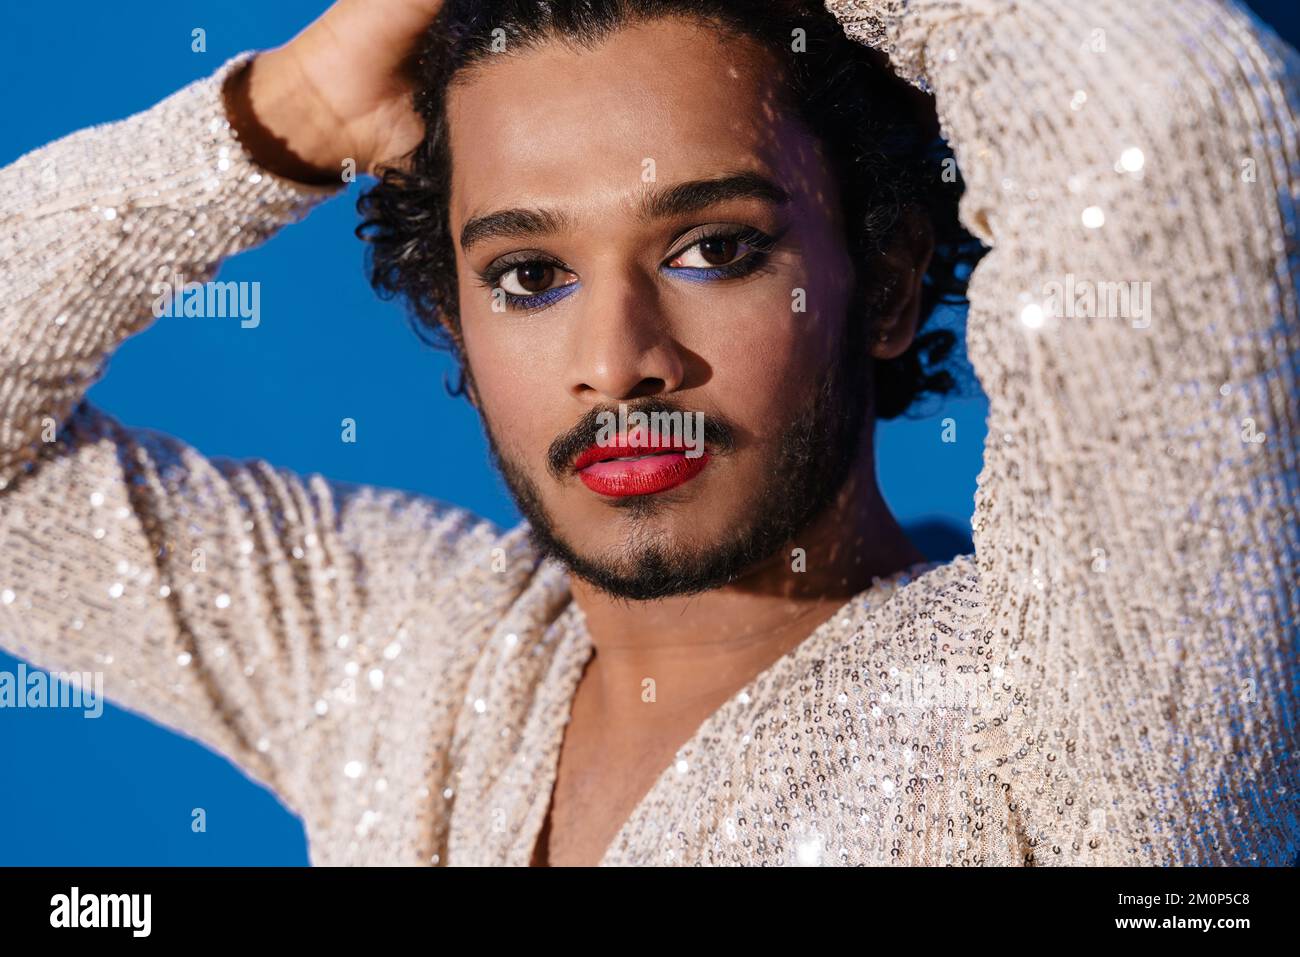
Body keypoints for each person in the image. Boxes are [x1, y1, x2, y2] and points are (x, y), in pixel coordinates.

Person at [0, 0, 1296, 866]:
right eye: (527, 276)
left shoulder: (1068, 715)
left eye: (715, 249)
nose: (620, 361)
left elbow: (1181, 126)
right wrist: (288, 118)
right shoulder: (404, 649)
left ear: (889, 283)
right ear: (453, 312)